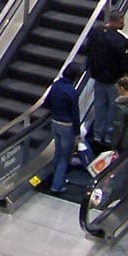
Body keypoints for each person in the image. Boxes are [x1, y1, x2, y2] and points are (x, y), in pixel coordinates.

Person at [86, 10, 128, 147]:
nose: (123, 24)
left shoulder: (96, 32)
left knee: (99, 106)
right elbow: (123, 62)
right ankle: (109, 136)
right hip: (113, 80)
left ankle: (98, 135)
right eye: (122, 21)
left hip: (98, 76)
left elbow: (88, 49)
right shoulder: (119, 40)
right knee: (113, 108)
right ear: (116, 21)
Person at [45, 63, 82, 195]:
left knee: (58, 152)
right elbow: (75, 114)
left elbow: (46, 102)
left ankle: (55, 178)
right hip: (67, 126)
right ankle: (57, 185)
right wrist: (77, 134)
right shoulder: (71, 92)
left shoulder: (56, 85)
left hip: (55, 122)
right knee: (64, 157)